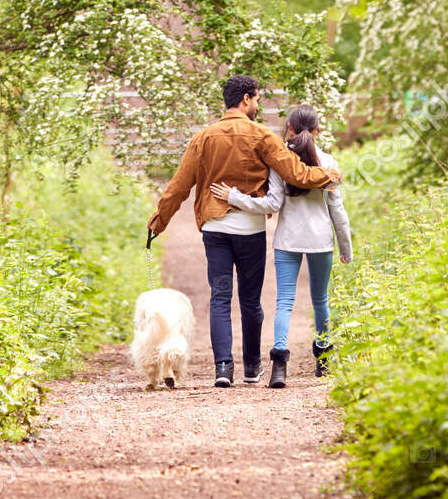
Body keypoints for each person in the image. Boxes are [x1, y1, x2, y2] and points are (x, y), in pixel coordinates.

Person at [148, 76, 341, 388]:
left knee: (220, 297)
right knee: (250, 300)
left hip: (215, 229)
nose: (257, 105)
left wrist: (159, 221)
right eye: (256, 99)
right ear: (246, 99)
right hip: (250, 232)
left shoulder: (204, 137)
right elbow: (296, 173)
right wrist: (328, 174)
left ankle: (223, 368)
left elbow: (179, 186)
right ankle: (252, 368)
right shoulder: (262, 135)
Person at [209, 105, 351, 388]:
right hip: (320, 240)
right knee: (320, 300)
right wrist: (346, 247)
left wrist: (234, 197)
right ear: (317, 130)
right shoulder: (330, 163)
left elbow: (272, 204)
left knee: (284, 302)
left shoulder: (279, 160)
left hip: (287, 240)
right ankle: (323, 361)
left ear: (288, 128)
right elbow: (338, 211)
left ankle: (279, 368)